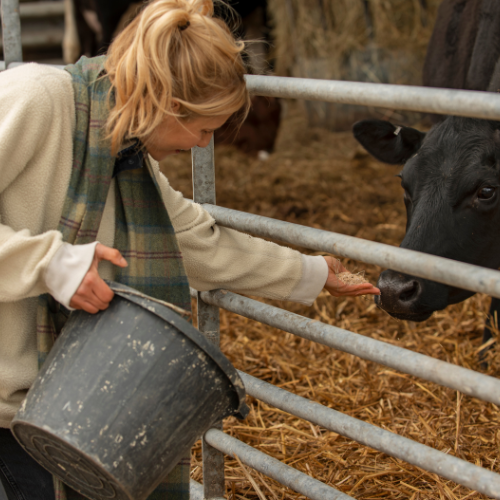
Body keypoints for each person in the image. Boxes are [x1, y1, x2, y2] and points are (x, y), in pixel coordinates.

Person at [0, 0, 379, 498]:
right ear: (169, 105)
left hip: (50, 412)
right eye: (205, 129)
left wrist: (312, 273)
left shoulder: (126, 156)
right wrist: (49, 265)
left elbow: (198, 242)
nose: (204, 146)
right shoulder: (36, 98)